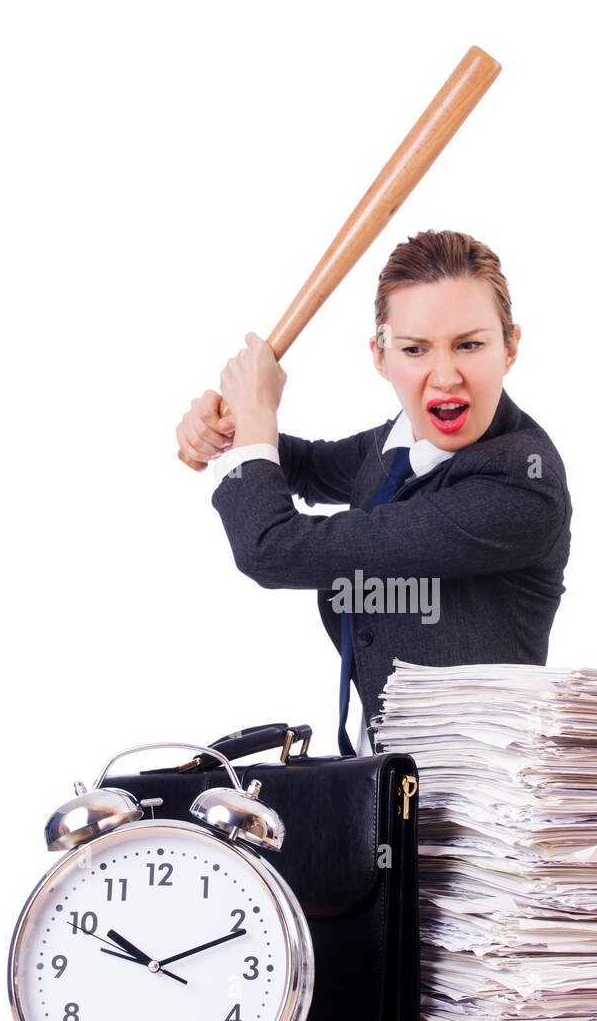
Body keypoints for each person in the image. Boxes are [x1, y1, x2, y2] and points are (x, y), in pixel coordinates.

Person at [175, 229, 572, 755]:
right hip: (382, 776)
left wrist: (256, 419)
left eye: (470, 344)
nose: (445, 376)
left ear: (511, 346)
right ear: (381, 356)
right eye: (415, 349)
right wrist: (227, 433)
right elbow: (310, 466)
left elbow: (271, 547)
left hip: (474, 803)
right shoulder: (401, 440)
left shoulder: (522, 483)